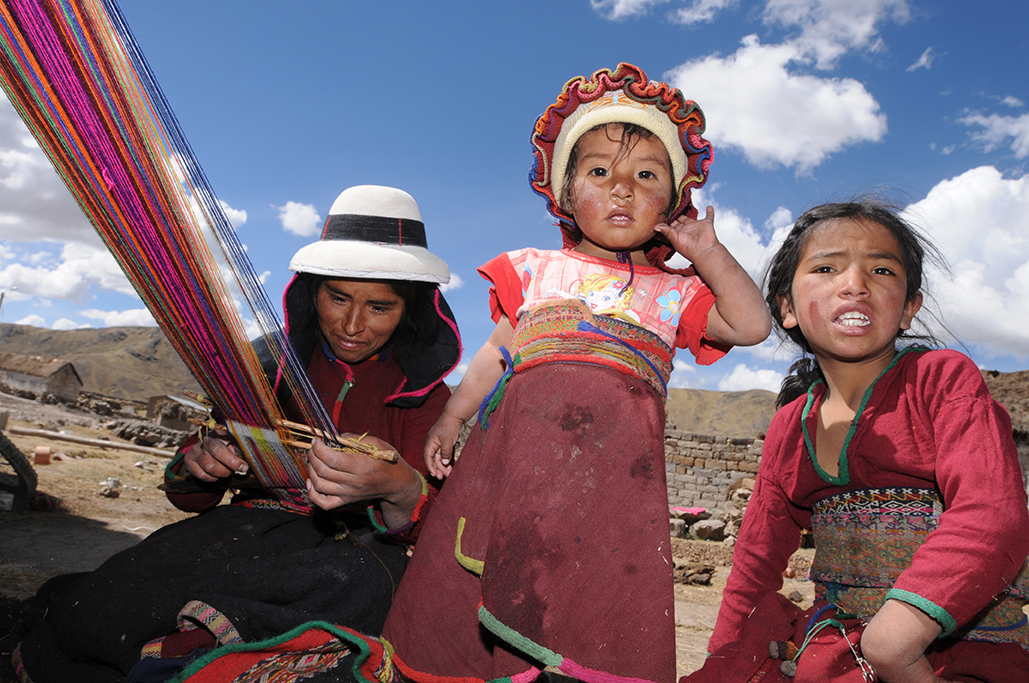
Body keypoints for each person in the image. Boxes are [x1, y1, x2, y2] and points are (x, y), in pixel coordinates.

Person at [381, 63, 771, 683]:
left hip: (609, 486)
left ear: (672, 202)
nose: (622, 189)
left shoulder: (676, 294)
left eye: (646, 176)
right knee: (470, 583)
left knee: (583, 602)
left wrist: (709, 255)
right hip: (507, 467)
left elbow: (752, 326)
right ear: (563, 193)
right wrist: (453, 416)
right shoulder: (535, 271)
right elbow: (497, 355)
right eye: (599, 173)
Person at [14, 185, 461, 683]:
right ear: (313, 294)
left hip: (349, 554)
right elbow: (189, 498)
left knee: (361, 584)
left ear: (410, 312)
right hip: (240, 536)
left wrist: (399, 488)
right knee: (102, 604)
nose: (353, 325)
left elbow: (442, 529)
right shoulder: (261, 371)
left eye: (380, 307)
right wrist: (200, 464)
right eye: (338, 298)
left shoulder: (428, 402)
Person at [685, 202, 1029, 683]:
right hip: (836, 652)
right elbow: (754, 566)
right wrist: (724, 663)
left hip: (960, 649)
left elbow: (991, 512)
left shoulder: (940, 382)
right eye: (826, 267)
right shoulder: (788, 427)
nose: (854, 283)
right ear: (785, 308)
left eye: (882, 269)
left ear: (910, 306)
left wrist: (898, 634)